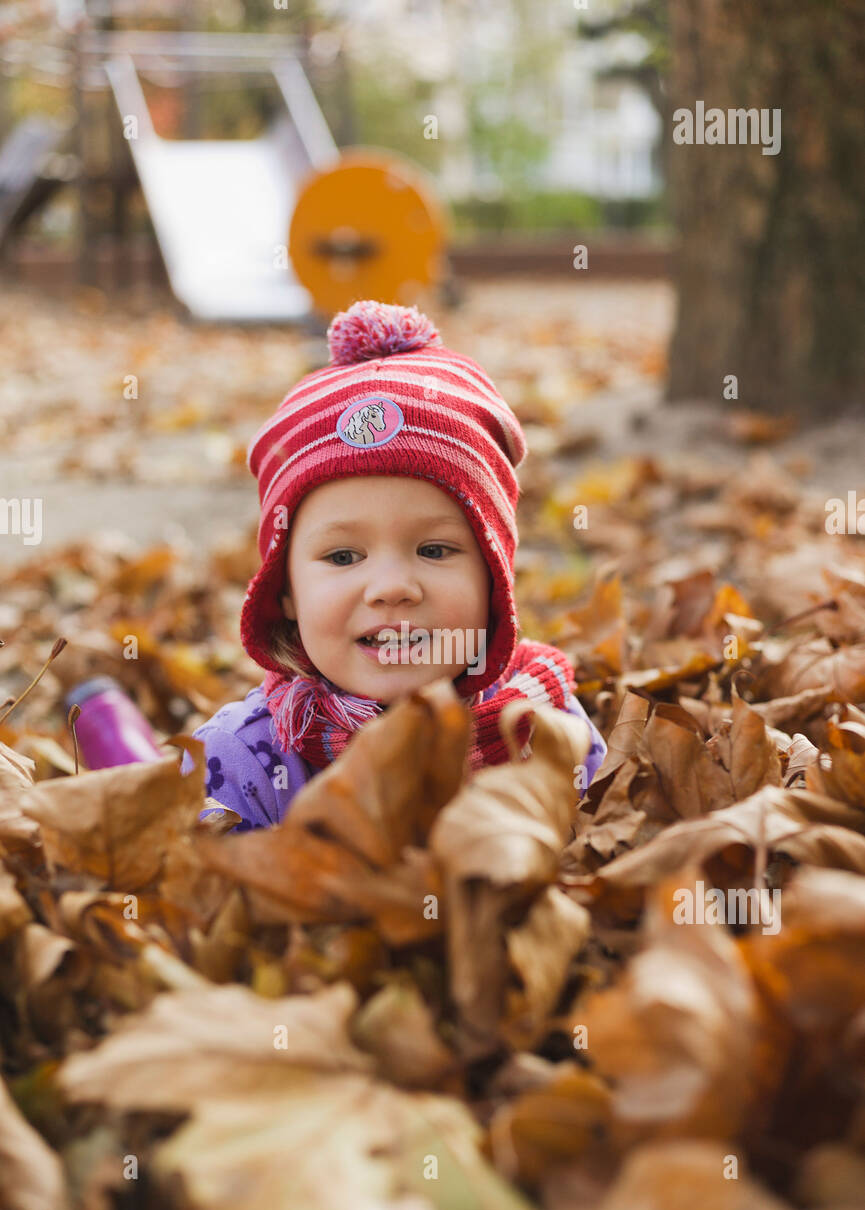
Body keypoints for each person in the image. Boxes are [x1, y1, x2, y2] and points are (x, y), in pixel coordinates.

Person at [180, 299, 606, 832]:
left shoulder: (548, 726)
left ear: (494, 578)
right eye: (342, 557)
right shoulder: (241, 763)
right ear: (285, 590)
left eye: (434, 550)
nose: (391, 588)